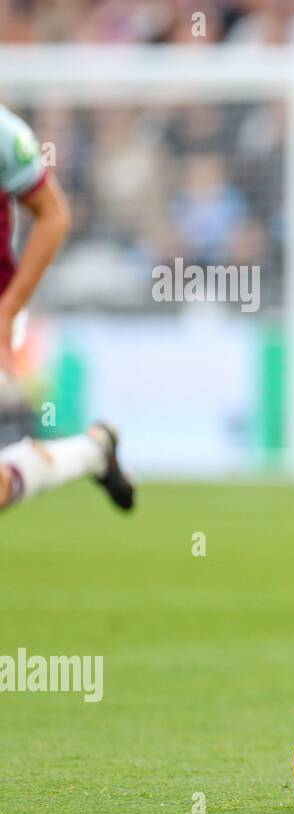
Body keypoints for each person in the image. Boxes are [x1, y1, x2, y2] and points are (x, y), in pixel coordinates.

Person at [0, 103, 133, 516]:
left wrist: (9, 309)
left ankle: (91, 452)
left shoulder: (5, 134)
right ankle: (93, 451)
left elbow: (53, 216)